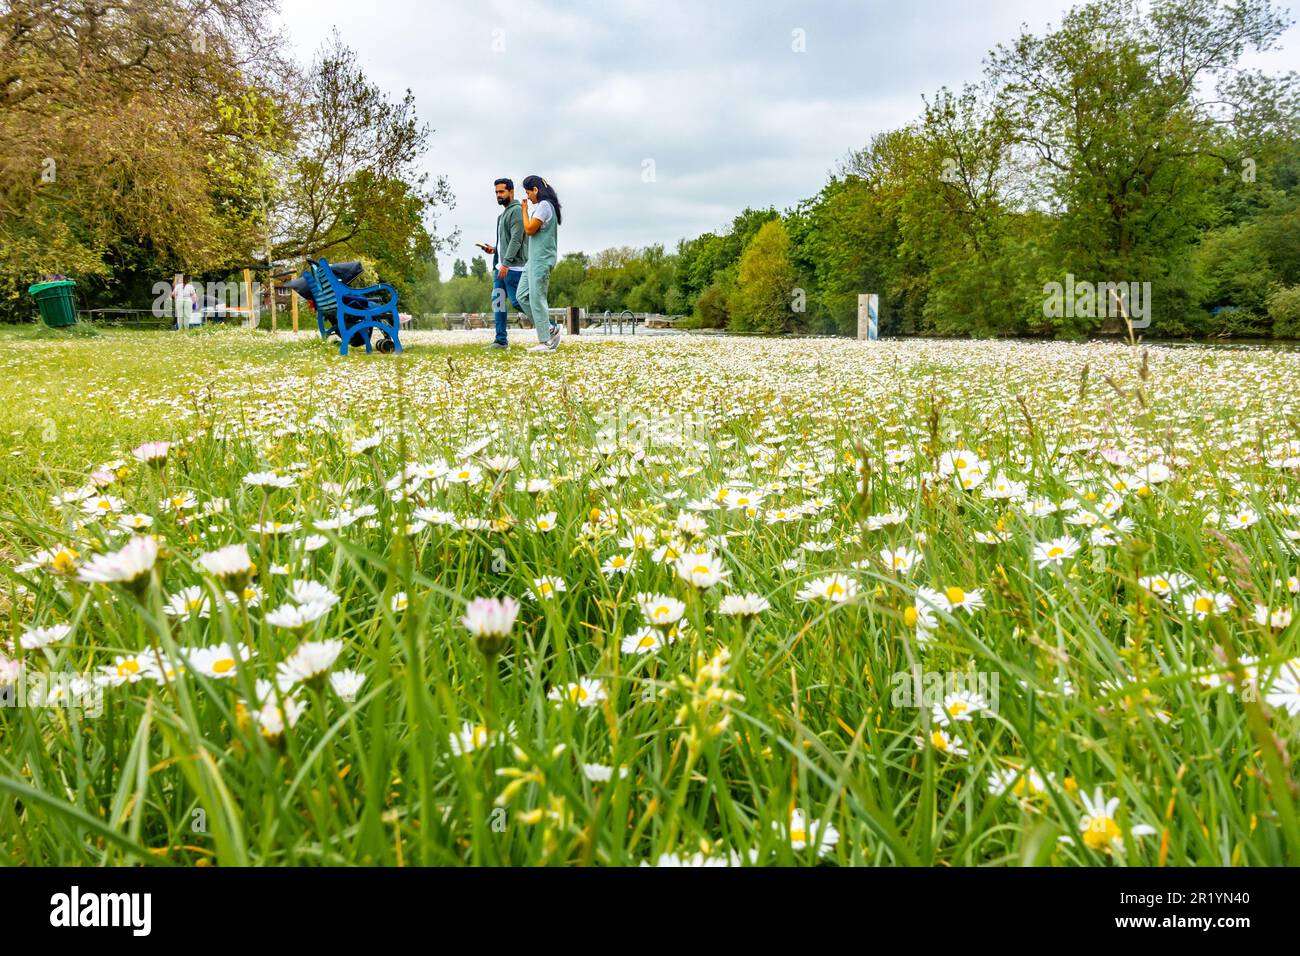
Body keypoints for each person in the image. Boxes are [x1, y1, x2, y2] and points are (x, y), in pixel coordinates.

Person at [476, 178, 527, 350]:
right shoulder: (502, 215)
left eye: (502, 192)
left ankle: (550, 327)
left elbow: (516, 240)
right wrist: (494, 250)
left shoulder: (517, 212)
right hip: (500, 268)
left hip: (513, 268)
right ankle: (500, 340)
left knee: (518, 301)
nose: (498, 195)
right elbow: (505, 243)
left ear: (511, 192)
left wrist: (505, 262)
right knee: (498, 302)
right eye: (496, 192)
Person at [515, 175, 562, 353]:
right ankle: (550, 329)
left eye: (528, 192)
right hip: (532, 261)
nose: (528, 197)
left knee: (537, 298)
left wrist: (524, 210)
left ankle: (546, 342)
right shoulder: (543, 206)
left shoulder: (544, 206)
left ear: (535, 190)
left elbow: (528, 229)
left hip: (541, 260)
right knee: (522, 296)